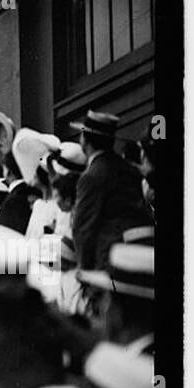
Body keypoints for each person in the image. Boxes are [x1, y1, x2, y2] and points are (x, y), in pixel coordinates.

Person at [70, 110, 151, 272]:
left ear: (85, 140)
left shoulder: (91, 176)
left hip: (108, 260)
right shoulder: (130, 168)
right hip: (141, 253)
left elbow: (83, 228)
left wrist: (84, 270)